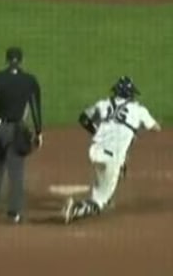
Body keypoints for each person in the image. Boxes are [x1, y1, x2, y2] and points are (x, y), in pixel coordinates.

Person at [63, 76, 160, 224]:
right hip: (112, 158)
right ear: (130, 94)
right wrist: (133, 129)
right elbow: (156, 128)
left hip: (95, 152)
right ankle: (76, 209)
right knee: (100, 200)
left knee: (108, 173)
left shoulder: (103, 104)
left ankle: (103, 194)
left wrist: (96, 131)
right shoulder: (139, 110)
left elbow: (84, 118)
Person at [0, 46, 44, 223]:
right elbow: (36, 106)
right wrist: (38, 131)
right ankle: (14, 212)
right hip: (16, 130)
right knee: (16, 171)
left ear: (7, 60)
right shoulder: (29, 80)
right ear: (21, 60)